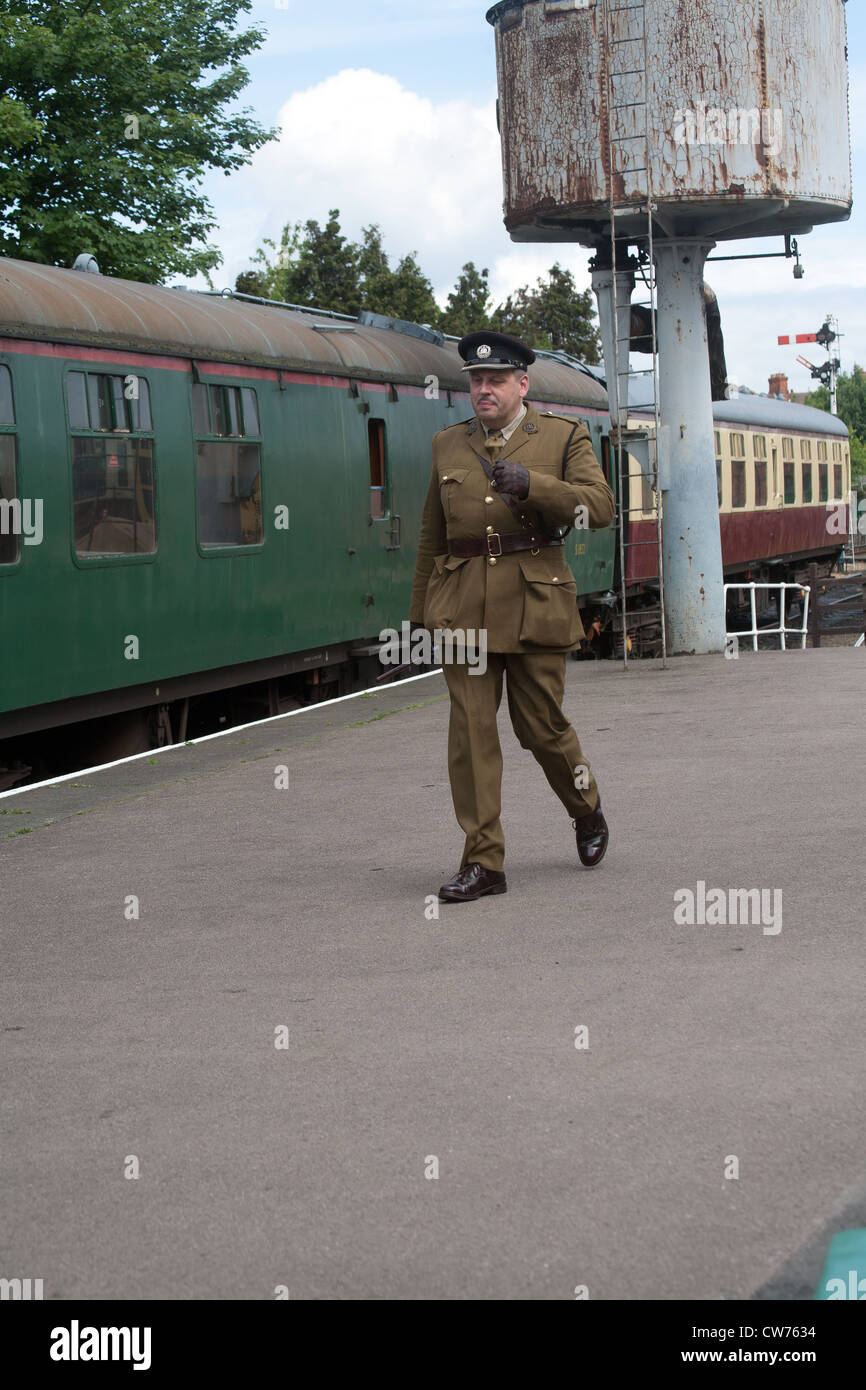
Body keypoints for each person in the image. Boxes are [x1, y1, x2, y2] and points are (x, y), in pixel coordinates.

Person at [408, 330, 616, 902]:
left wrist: (537, 486)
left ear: (522, 384)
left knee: (540, 728)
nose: (484, 389)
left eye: (495, 380)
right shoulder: (447, 445)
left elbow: (598, 509)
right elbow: (433, 536)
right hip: (462, 606)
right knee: (470, 735)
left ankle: (586, 806)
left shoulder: (562, 436)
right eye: (476, 380)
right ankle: (484, 862)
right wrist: (420, 617)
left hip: (534, 601)